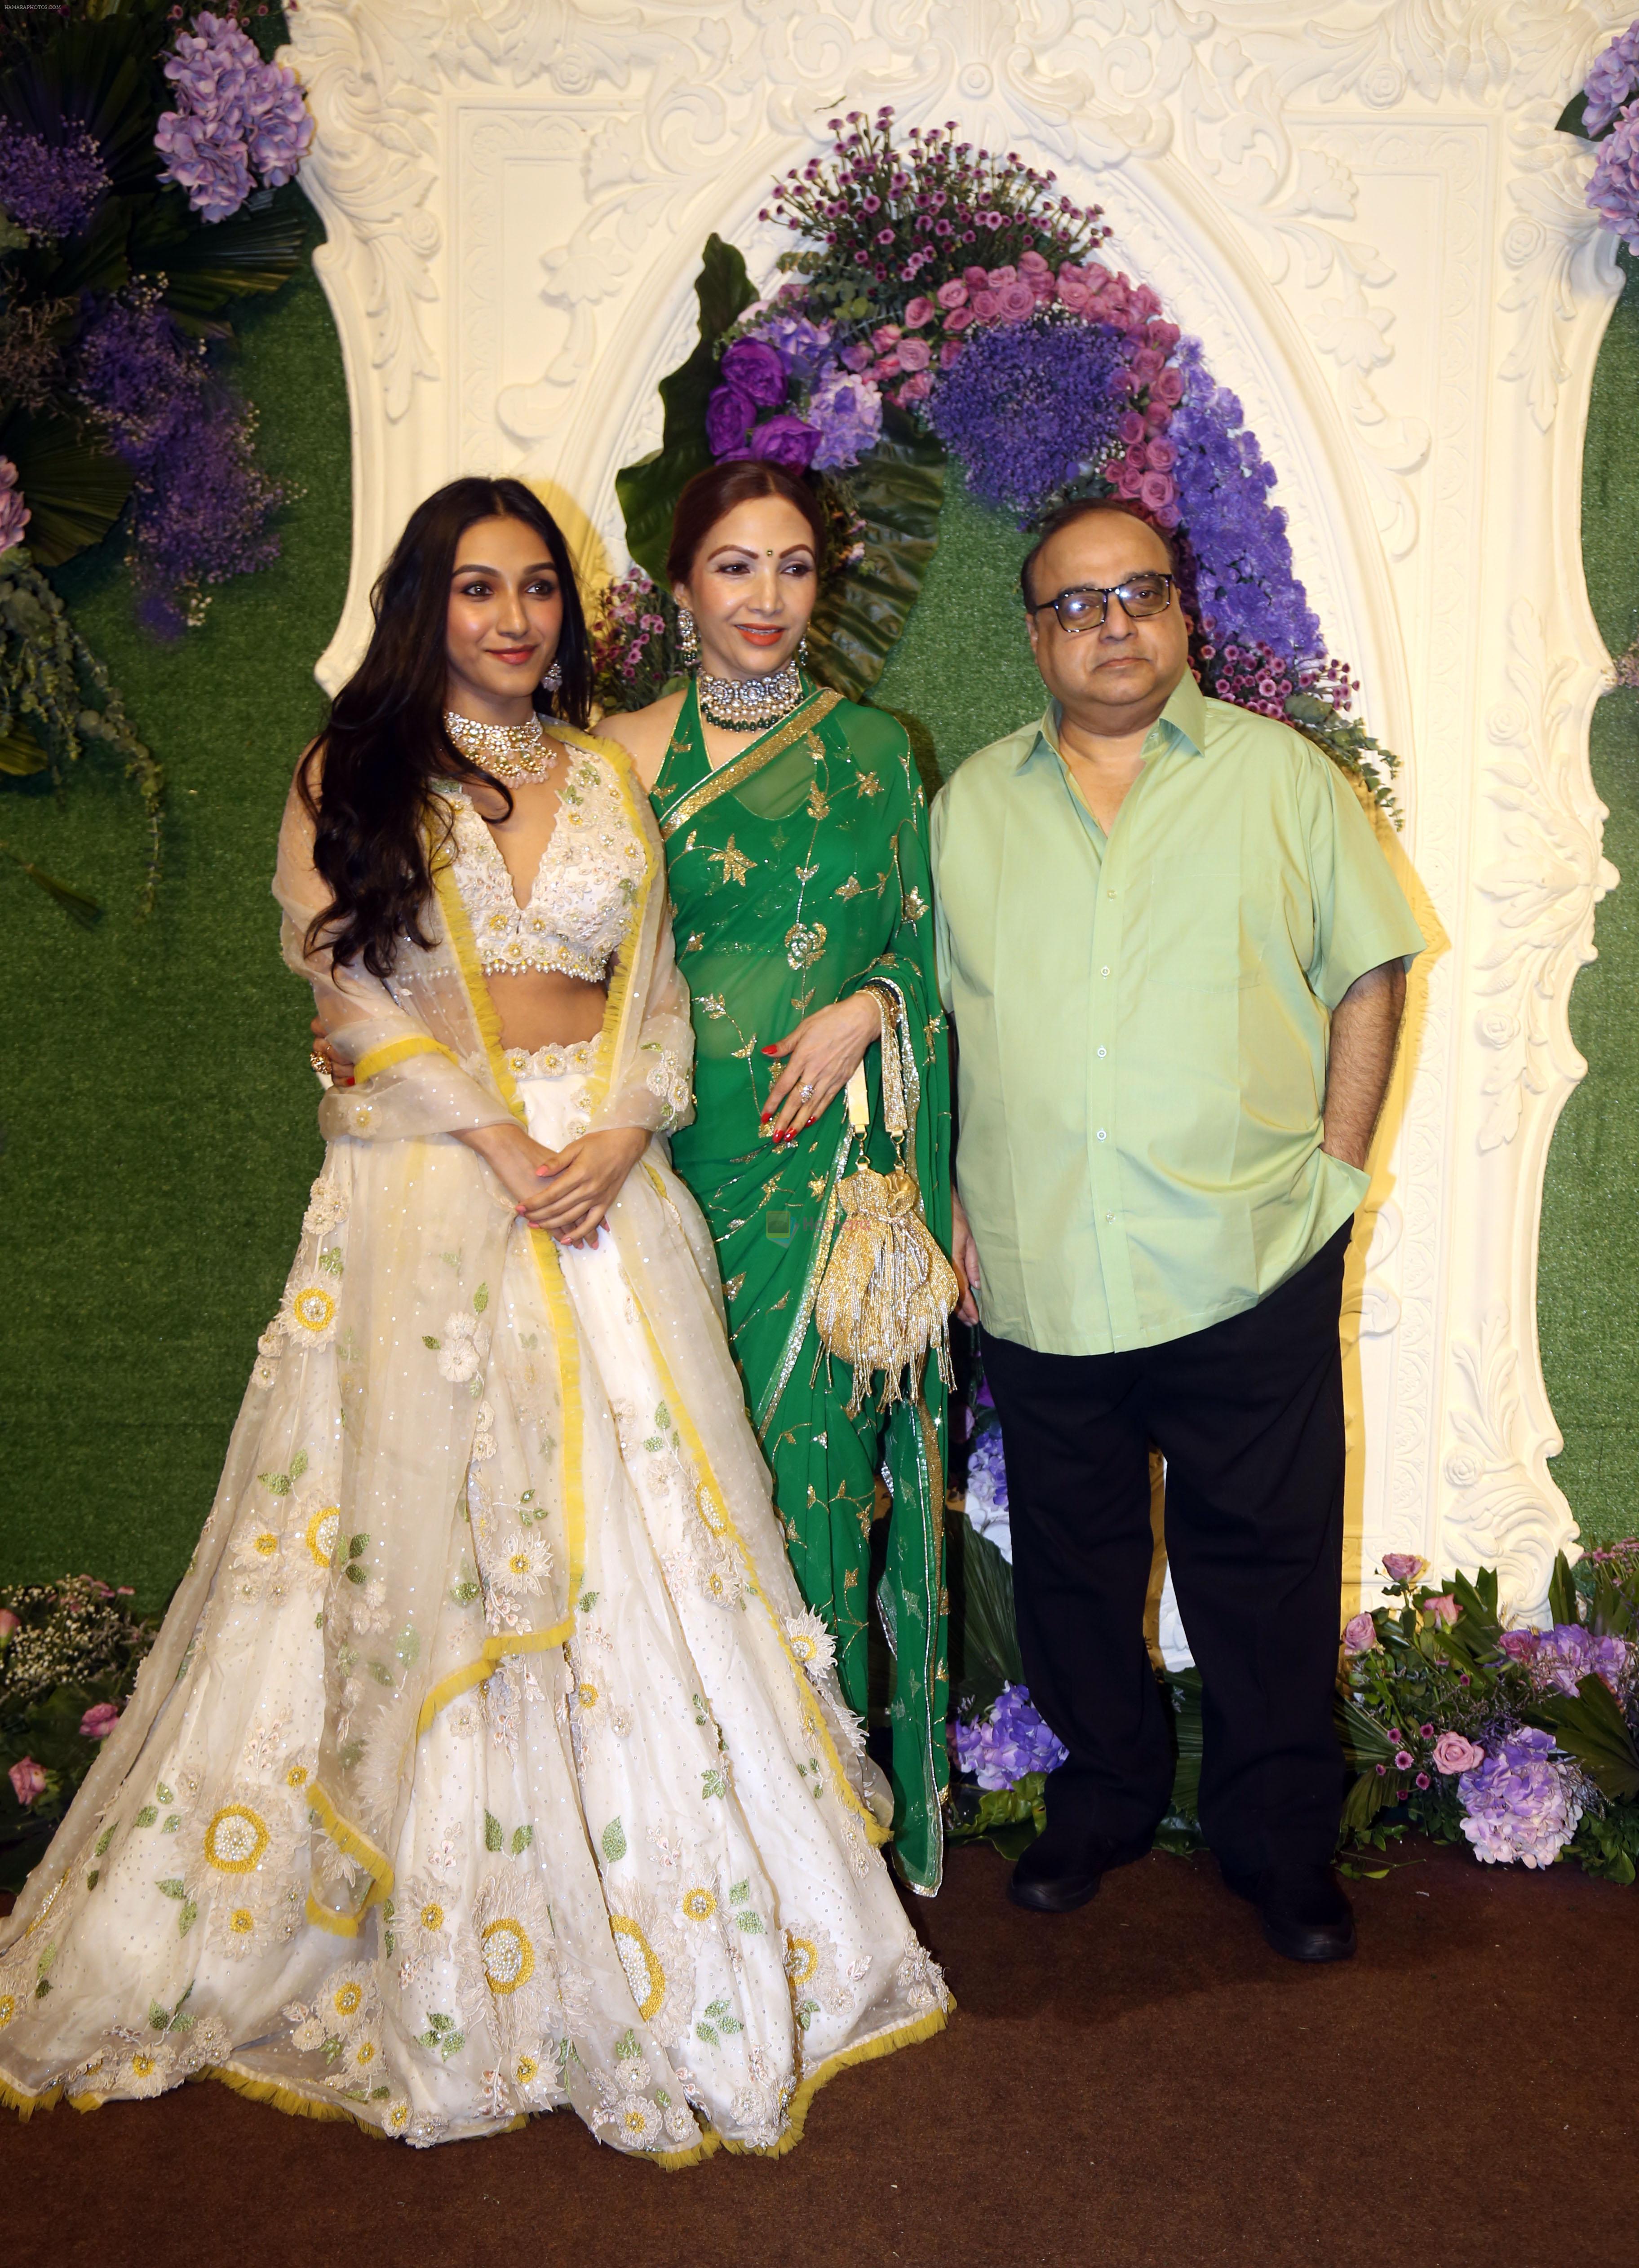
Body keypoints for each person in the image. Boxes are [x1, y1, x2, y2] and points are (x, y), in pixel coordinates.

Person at [0, 477, 949, 2155]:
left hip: (602, 1189)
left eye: (538, 591)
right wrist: (500, 1140)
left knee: (634, 1543)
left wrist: (623, 1132)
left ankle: (652, 1924)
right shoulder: (351, 773)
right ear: (423, 607)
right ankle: (434, 1928)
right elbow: (347, 992)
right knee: (423, 1531)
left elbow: (655, 995)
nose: (514, 620)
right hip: (436, 1184)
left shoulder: (600, 774)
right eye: (479, 589)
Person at [934, 499, 1424, 1962]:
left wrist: (1336, 1172)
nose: (1114, 625)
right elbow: (936, 1022)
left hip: (1247, 1255)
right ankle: (1105, 1798)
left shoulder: (1281, 779)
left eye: (1140, 592)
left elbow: (1370, 968)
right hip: (1039, 1260)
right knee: (1073, 1566)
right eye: (1077, 604)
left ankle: (1277, 1841)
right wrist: (949, 1202)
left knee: (1263, 1569)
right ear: (1035, 637)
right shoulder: (971, 807)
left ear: (1183, 611)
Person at [598, 460, 955, 1897]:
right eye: (735, 566)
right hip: (664, 1177)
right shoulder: (615, 760)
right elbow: (563, 959)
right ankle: (690, 1852)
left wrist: (874, 1005)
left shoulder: (876, 752)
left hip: (833, 1183)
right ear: (682, 585)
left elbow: (930, 947)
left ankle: (830, 1855)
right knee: (670, 1489)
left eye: (794, 566)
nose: (766, 597)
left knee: (819, 1483)